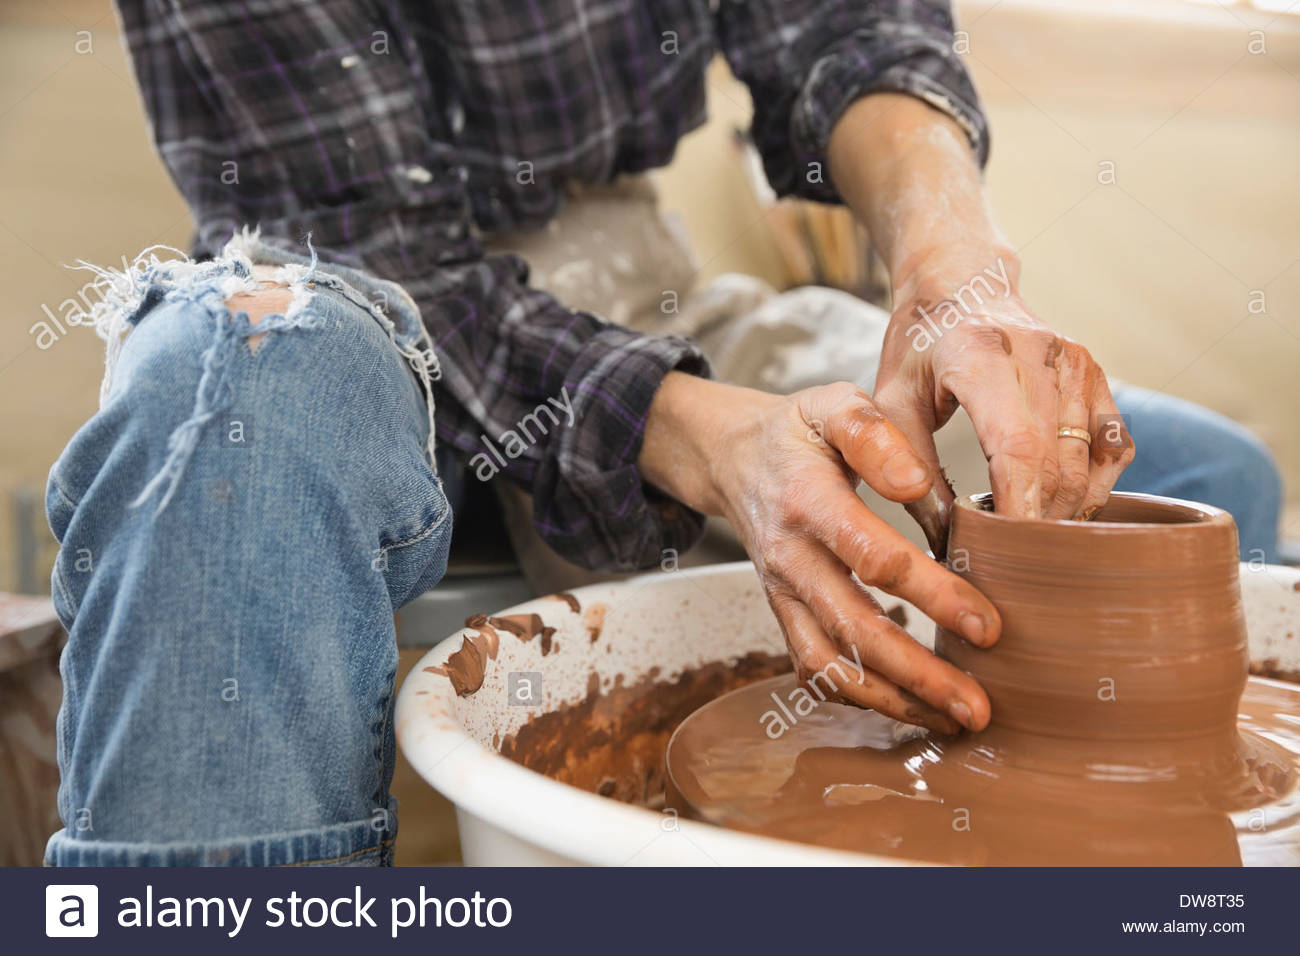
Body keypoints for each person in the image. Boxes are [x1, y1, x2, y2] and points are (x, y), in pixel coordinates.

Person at [43, 1, 1279, 866]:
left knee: (1196, 479)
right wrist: (705, 439)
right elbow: (367, 241)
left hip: (636, 273)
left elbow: (847, 33)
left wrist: (952, 263)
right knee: (237, 388)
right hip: (339, 302)